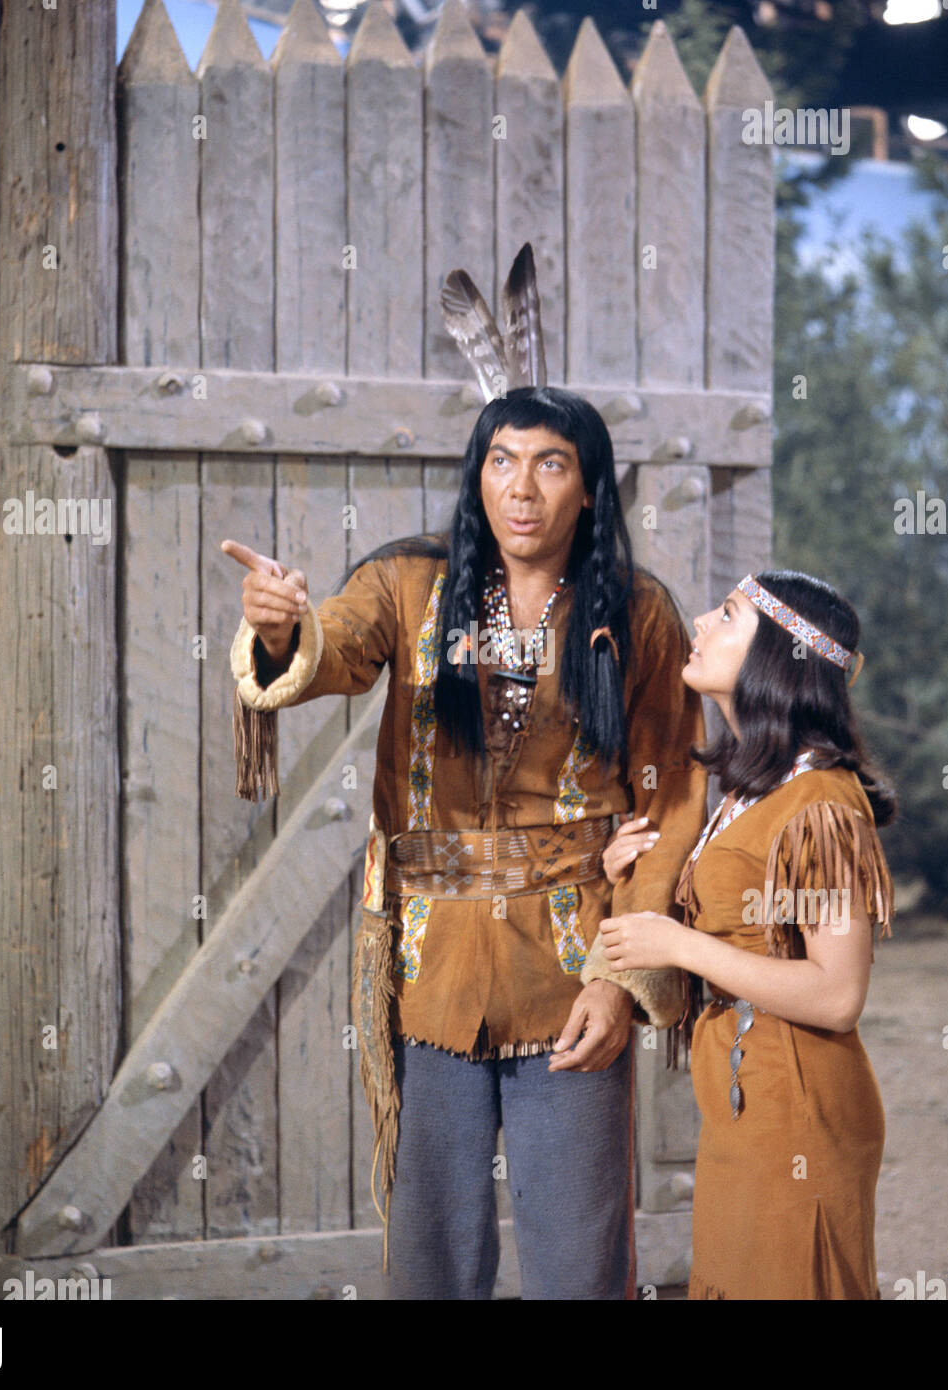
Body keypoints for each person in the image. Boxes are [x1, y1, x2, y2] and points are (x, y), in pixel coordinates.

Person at [223, 385, 708, 1299]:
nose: (522, 488)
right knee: (431, 1263)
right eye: (502, 461)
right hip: (426, 974)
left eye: (550, 464)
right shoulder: (408, 584)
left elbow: (674, 796)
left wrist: (621, 979)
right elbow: (335, 650)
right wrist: (280, 627)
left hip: (572, 976)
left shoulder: (635, 612)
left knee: (576, 1261)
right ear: (478, 477)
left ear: (589, 489)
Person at [597, 569, 896, 1300]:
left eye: (727, 615)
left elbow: (837, 993)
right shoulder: (754, 790)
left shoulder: (820, 800)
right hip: (742, 1104)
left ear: (778, 658)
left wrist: (680, 946)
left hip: (799, 1113)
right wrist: (621, 878)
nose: (699, 622)